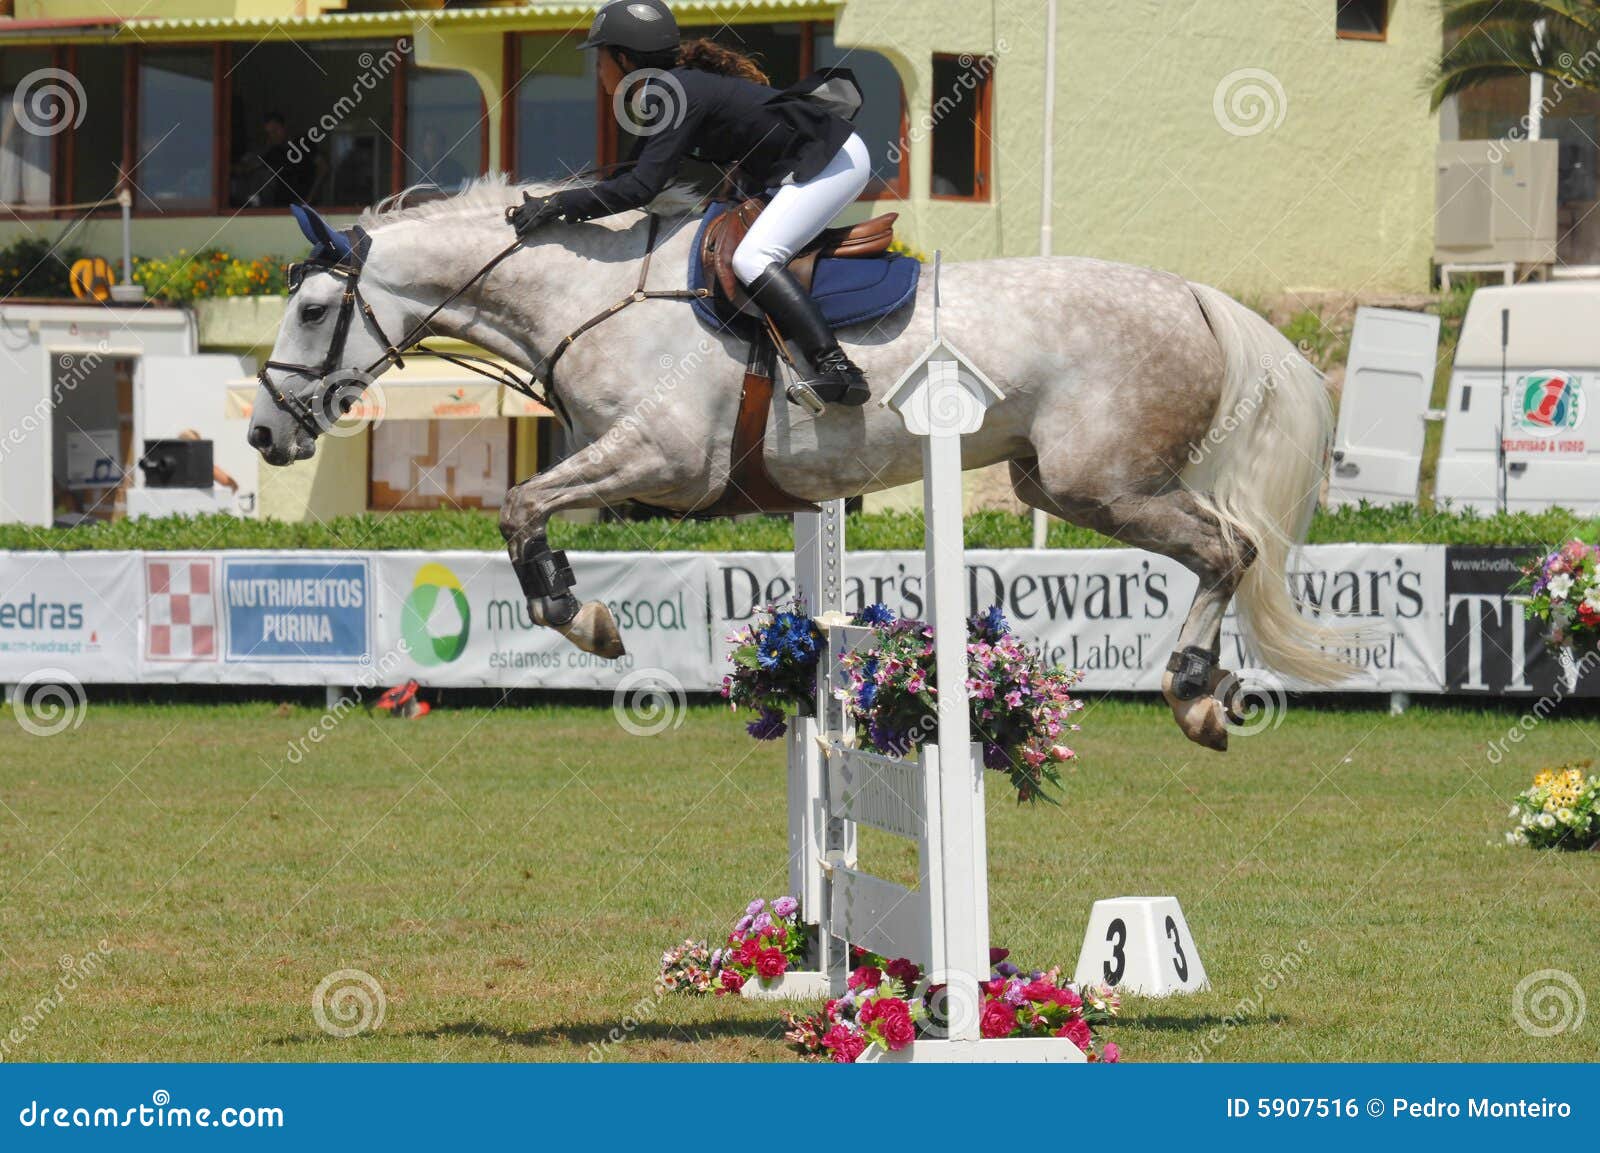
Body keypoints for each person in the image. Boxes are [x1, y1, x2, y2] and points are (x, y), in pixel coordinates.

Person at [507, 0, 872, 405]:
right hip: (802, 164)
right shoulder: (672, 92)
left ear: (625, 60)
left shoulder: (675, 91)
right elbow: (625, 179)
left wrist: (558, 203)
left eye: (601, 58)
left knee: (753, 258)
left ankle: (837, 367)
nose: (598, 71)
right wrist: (559, 209)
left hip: (834, 159)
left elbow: (641, 189)